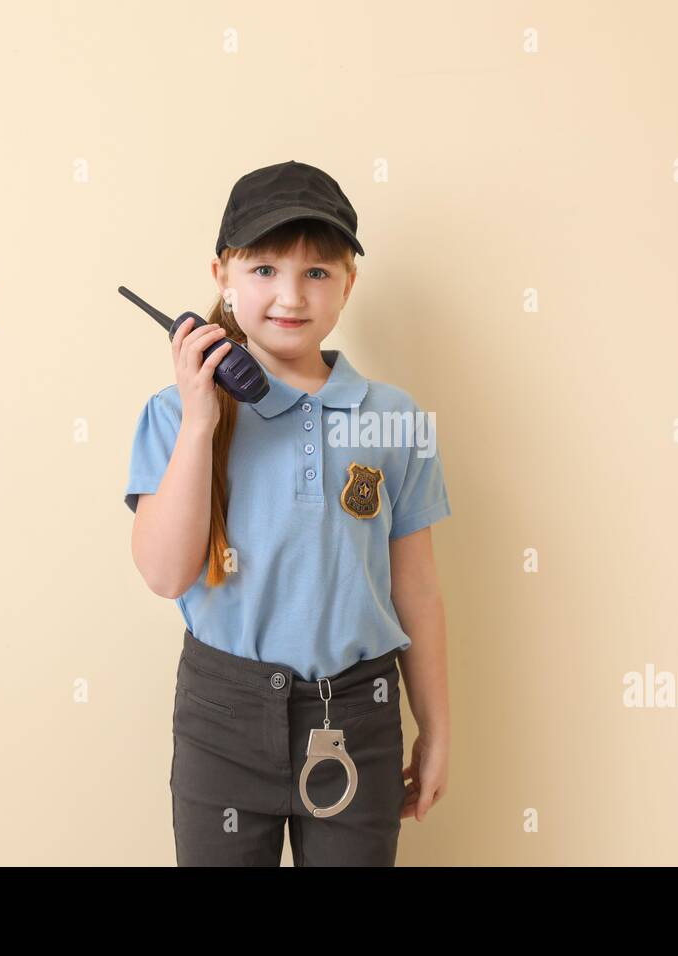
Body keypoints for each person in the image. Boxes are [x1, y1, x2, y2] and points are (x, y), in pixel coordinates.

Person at [124, 160, 452, 866]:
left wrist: (436, 728)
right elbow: (164, 574)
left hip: (357, 718)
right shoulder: (175, 414)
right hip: (224, 721)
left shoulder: (394, 419)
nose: (290, 296)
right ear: (222, 276)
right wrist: (201, 422)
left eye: (317, 273)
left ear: (348, 284)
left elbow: (417, 591)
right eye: (265, 270)